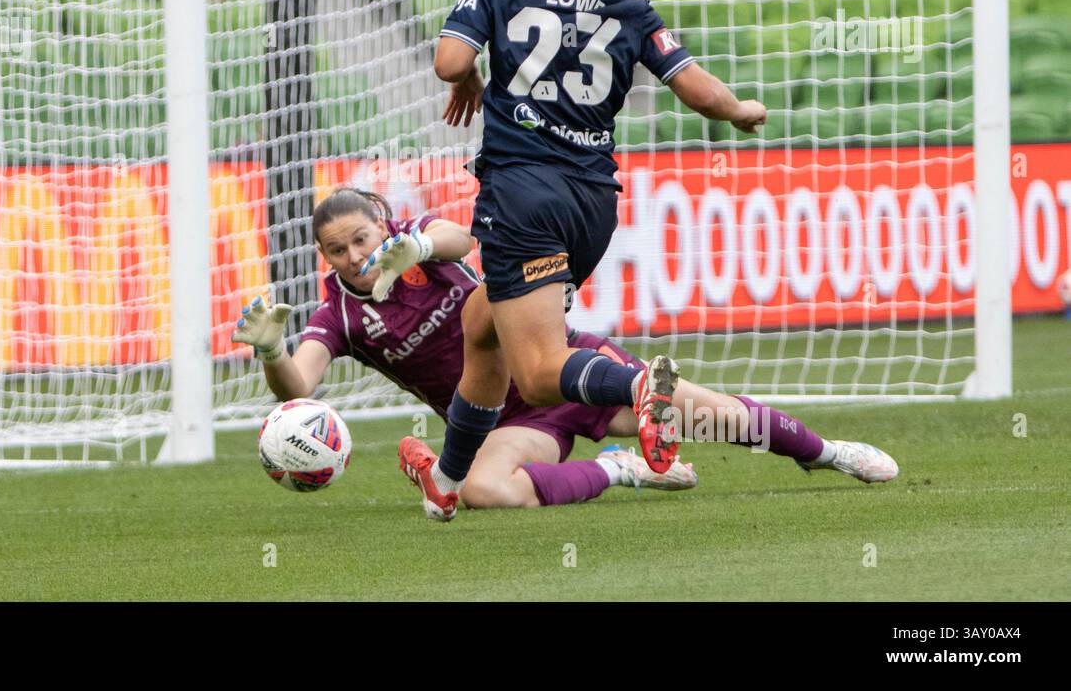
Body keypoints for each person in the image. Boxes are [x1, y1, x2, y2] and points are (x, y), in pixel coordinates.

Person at [386, 0, 895, 520]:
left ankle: (636, 390)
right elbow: (695, 85)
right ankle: (449, 484)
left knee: (539, 372)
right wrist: (740, 108)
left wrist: (467, 78)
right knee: (482, 323)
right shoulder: (623, 4)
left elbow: (450, 61)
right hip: (592, 202)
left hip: (523, 193)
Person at [234, 188, 897, 514]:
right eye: (339, 250)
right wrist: (272, 351)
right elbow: (301, 391)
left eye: (362, 238)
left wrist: (422, 247)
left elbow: (460, 240)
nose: (355, 256)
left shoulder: (416, 245)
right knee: (491, 491)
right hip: (508, 421)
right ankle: (625, 470)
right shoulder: (341, 315)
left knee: (724, 419)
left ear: (382, 222)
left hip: (566, 366)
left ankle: (832, 454)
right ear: (324, 257)